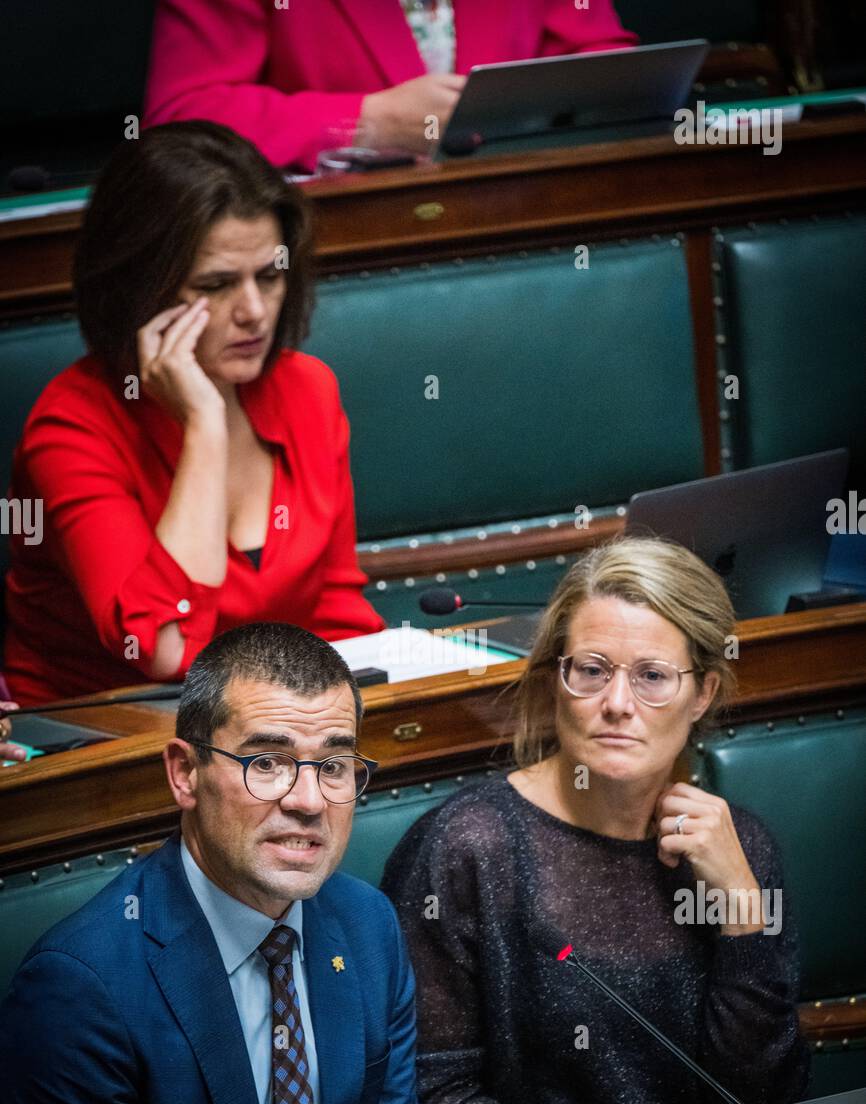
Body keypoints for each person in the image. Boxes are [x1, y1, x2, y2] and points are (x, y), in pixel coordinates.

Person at [0, 622, 426, 1104]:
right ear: (185, 774)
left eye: (334, 765)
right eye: (268, 763)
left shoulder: (368, 926)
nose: (309, 801)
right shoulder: (80, 990)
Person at [382, 537, 811, 1104]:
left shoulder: (740, 848)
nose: (617, 703)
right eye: (591, 669)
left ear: (702, 694)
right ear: (557, 678)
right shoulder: (466, 847)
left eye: (653, 676)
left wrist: (745, 919)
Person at [3, 121, 384, 705]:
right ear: (141, 290)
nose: (254, 311)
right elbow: (165, 650)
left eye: (270, 275)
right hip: (107, 750)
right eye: (216, 284)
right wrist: (206, 427)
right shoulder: (71, 429)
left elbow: (336, 612)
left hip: (272, 732)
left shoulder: (308, 389)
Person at [144, 0, 637, 171]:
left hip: (526, 225)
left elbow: (603, 65)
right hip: (337, 250)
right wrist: (367, 123)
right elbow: (182, 118)